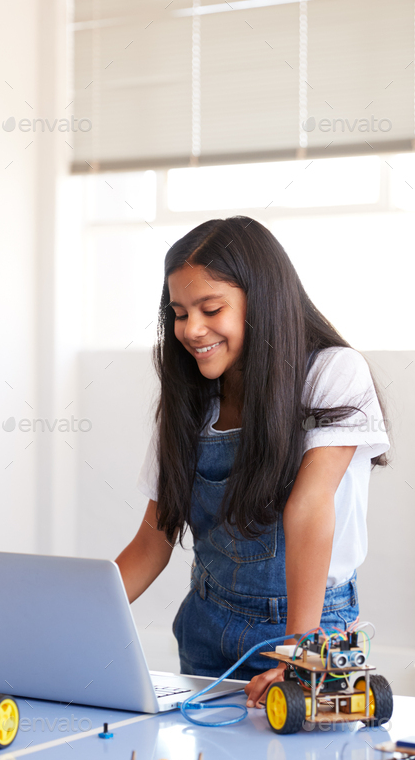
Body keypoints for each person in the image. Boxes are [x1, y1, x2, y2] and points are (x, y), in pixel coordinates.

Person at [116, 216, 389, 709]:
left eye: (211, 309)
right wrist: (67, 621)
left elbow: (308, 506)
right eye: (179, 313)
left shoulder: (332, 372)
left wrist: (299, 653)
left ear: (260, 300)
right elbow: (151, 543)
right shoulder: (190, 399)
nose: (191, 330)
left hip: (309, 627)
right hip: (207, 625)